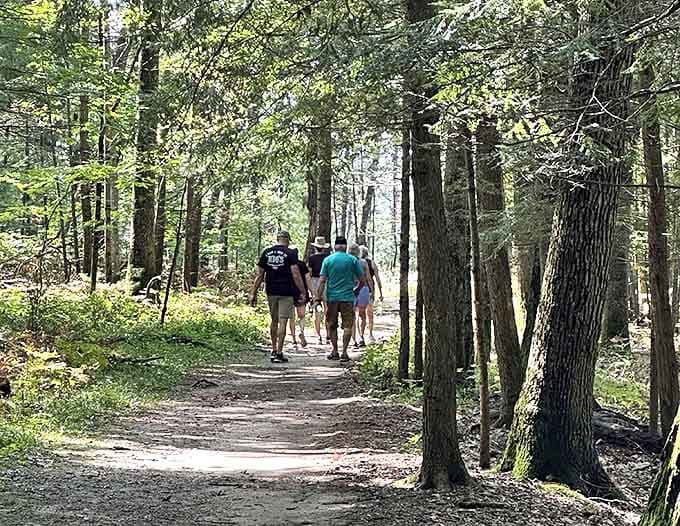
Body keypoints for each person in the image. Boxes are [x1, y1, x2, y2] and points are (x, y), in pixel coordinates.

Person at [249, 231, 307, 363]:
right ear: (288, 240)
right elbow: (296, 274)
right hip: (286, 291)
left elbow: (259, 275)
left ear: (277, 239)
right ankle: (279, 353)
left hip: (271, 291)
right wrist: (302, 291)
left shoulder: (266, 252)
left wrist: (253, 292)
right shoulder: (291, 253)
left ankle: (273, 349)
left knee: (274, 320)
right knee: (283, 321)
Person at [316, 237, 365, 362]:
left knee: (332, 325)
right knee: (348, 325)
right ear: (345, 246)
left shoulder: (328, 260)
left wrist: (318, 297)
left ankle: (335, 351)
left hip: (332, 298)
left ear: (335, 246)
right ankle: (344, 352)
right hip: (348, 297)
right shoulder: (353, 260)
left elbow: (322, 280)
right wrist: (356, 291)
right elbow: (362, 280)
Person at [287, 246, 313, 347]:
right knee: (301, 316)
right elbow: (308, 279)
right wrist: (311, 292)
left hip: (288, 292)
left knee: (291, 317)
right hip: (301, 292)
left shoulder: (286, 264)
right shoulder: (302, 265)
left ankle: (293, 339)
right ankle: (301, 331)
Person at [307, 236, 331, 344]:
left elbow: (309, 273)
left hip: (315, 282)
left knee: (317, 309)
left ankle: (318, 335)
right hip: (326, 282)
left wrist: (310, 288)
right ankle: (328, 335)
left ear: (315, 247)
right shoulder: (328, 257)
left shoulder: (311, 258)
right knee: (327, 310)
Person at [349, 243, 372, 348]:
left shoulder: (347, 262)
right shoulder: (363, 262)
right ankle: (361, 336)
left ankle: (354, 340)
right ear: (358, 252)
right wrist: (371, 290)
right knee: (362, 314)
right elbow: (368, 277)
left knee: (352, 315)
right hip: (363, 289)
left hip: (350, 289)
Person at [360, 245, 384, 343]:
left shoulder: (356, 262)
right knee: (370, 313)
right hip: (370, 289)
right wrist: (381, 292)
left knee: (360, 313)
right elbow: (377, 278)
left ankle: (360, 336)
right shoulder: (372, 263)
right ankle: (370, 334)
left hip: (358, 289)